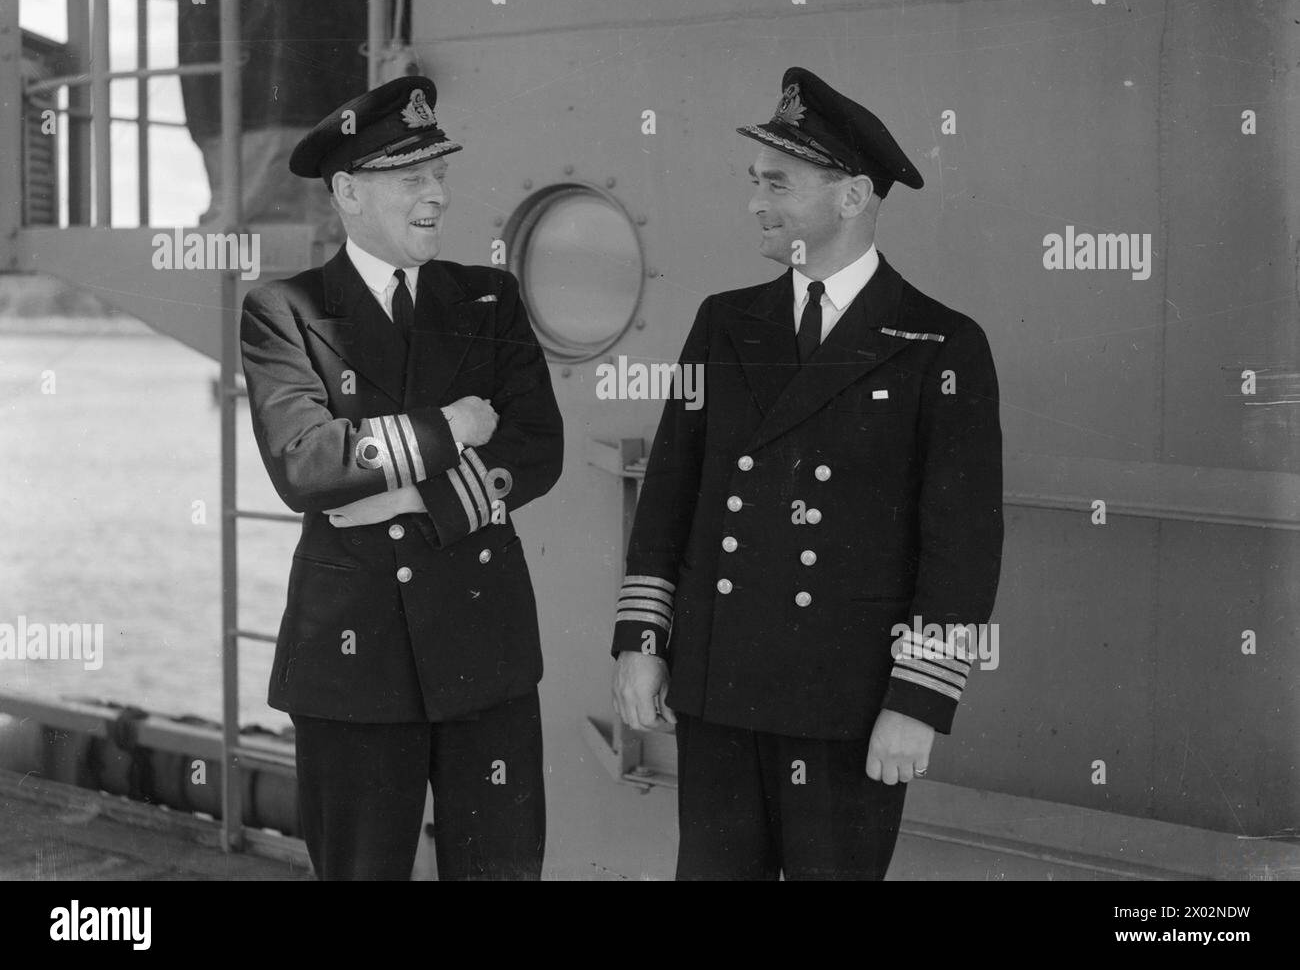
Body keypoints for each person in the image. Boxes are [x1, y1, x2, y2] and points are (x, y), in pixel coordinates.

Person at [612, 67, 1003, 880]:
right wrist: (642, 642)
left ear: (853, 197)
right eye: (755, 182)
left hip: (848, 706)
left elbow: (962, 547)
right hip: (720, 692)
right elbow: (669, 500)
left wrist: (919, 699)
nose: (756, 202)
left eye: (778, 184)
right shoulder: (725, 323)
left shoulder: (940, 344)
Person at [240, 75, 563, 880]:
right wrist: (451, 427)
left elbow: (538, 447)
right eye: (411, 178)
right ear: (348, 191)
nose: (436, 197)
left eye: (440, 175)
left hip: (484, 652)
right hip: (354, 662)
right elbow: (306, 466)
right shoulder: (284, 310)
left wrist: (414, 492)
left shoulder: (489, 298)